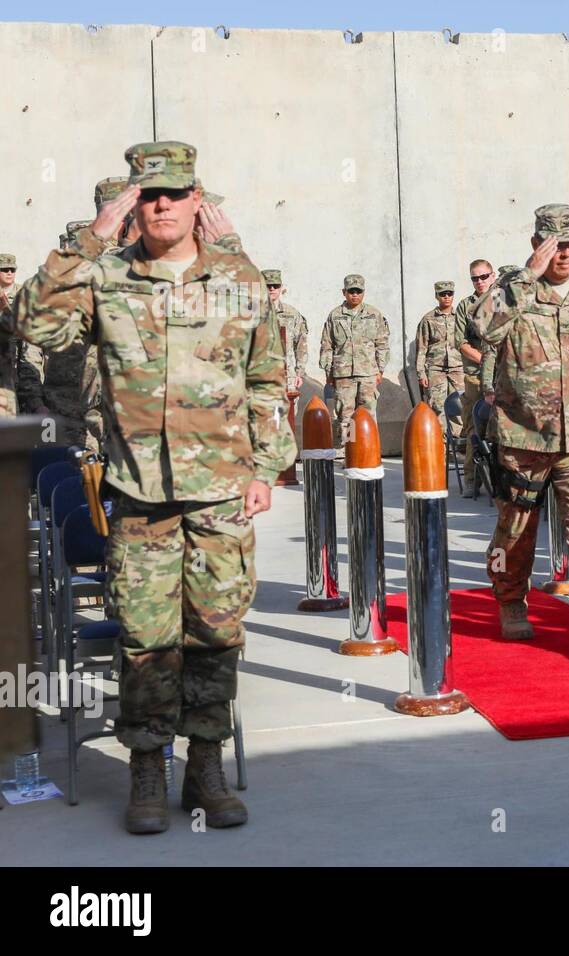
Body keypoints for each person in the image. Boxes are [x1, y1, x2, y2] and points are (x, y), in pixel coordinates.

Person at [11, 140, 295, 833]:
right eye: (146, 196)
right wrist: (92, 237)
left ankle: (205, 767)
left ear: (199, 200)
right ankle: (146, 767)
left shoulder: (238, 277)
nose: (160, 205)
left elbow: (265, 379)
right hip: (137, 493)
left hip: (222, 492)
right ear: (131, 205)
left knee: (217, 634)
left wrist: (265, 467)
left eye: (173, 193)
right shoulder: (105, 277)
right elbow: (32, 322)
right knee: (145, 639)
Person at [475, 204, 569, 658]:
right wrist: (527, 276)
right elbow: (483, 328)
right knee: (515, 529)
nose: (566, 253)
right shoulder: (515, 291)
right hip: (524, 437)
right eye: (556, 245)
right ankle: (509, 601)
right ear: (537, 245)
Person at [319, 274, 389, 443]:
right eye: (351, 291)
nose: (355, 294)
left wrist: (380, 369)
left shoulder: (374, 314)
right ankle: (350, 451)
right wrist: (329, 371)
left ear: (363, 292)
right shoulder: (335, 316)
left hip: (368, 373)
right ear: (344, 292)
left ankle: (368, 451)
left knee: (368, 414)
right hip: (343, 374)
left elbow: (382, 343)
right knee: (346, 416)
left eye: (358, 291)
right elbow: (327, 345)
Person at [454, 260, 496, 496]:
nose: (480, 282)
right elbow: (460, 343)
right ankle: (471, 480)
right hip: (476, 376)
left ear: (493, 275)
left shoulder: (502, 301)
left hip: (504, 376)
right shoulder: (465, 307)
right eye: (475, 278)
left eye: (484, 276)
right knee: (473, 428)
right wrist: (487, 360)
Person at [416, 281, 464, 431]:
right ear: (436, 296)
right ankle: (440, 445)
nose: (447, 297)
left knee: (460, 406)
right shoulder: (428, 319)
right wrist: (421, 373)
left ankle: (458, 444)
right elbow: (421, 348)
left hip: (457, 368)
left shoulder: (461, 317)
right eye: (443, 294)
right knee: (437, 407)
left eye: (450, 294)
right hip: (436, 369)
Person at [263, 270, 308, 392]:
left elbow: (301, 346)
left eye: (276, 285)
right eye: (268, 285)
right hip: (260, 375)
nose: (272, 288)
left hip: (287, 375)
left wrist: (299, 373)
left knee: (290, 410)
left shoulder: (292, 314)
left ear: (281, 287)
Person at [0, 252, 21, 417]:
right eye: (5, 269)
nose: (9, 273)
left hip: (20, 356)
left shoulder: (23, 293)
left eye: (12, 270)